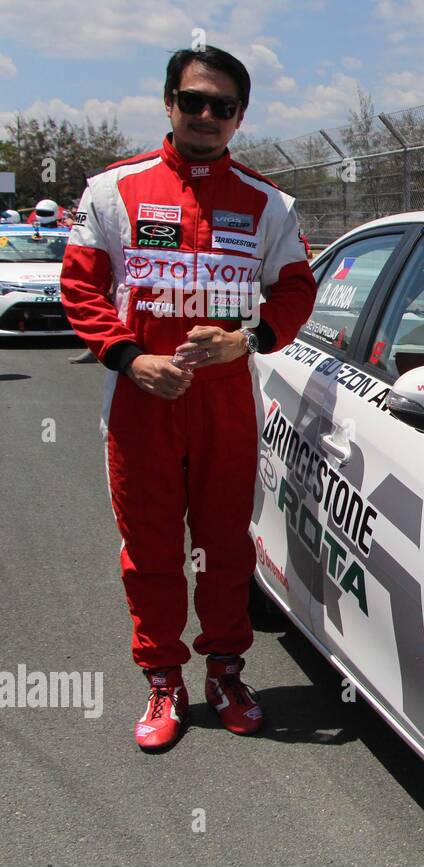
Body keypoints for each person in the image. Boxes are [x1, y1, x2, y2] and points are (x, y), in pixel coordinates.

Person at [60, 46, 317, 751]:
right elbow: (80, 287)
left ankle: (226, 670)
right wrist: (128, 357)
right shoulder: (113, 190)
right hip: (141, 399)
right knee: (150, 551)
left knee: (226, 545)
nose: (207, 116)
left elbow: (296, 289)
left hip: (226, 401)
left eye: (223, 106)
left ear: (240, 116)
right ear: (169, 102)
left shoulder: (270, 203)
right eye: (194, 101)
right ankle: (163, 679)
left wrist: (252, 338)